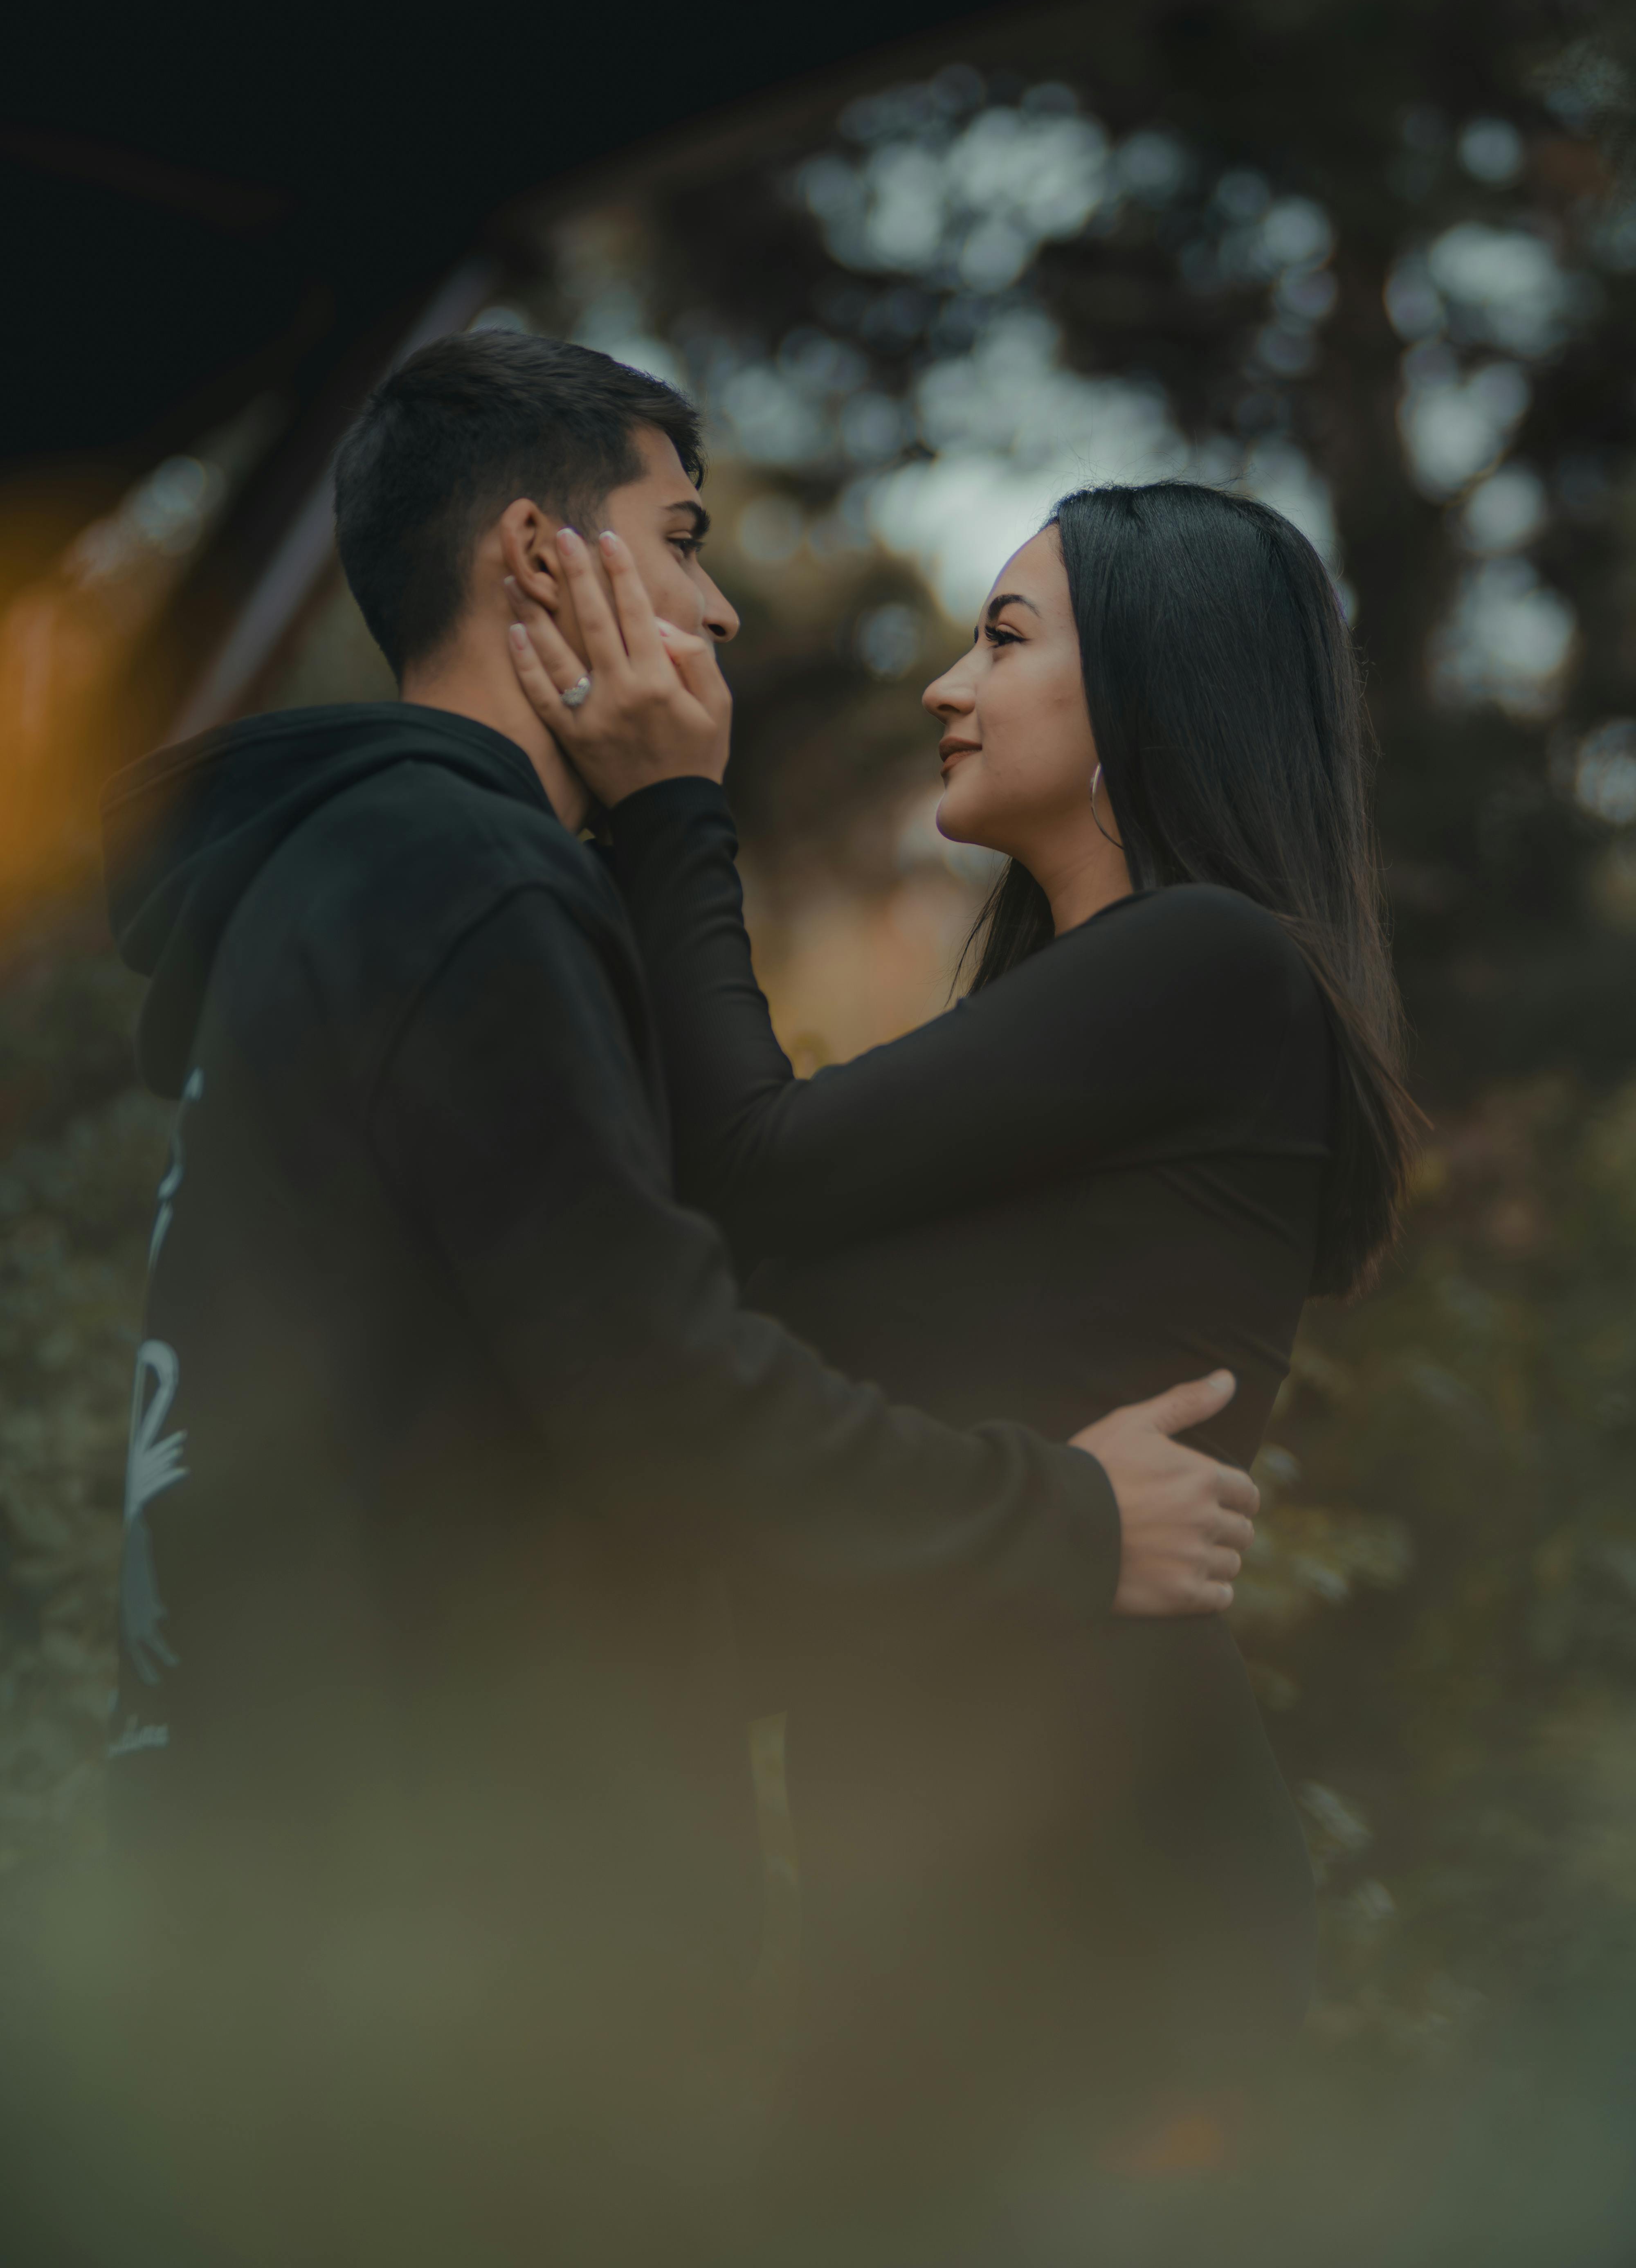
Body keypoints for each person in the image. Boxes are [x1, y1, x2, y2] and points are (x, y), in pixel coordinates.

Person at [97, 335, 1255, 2263]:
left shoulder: (326, 876)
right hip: (446, 1946)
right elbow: (655, 1384)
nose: (716, 599)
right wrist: (1059, 1514)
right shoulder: (464, 877)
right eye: (682, 535)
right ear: (544, 565)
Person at [506, 468, 1418, 2189]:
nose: (946, 684)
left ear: (1156, 688)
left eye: (1002, 637)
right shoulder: (1076, 1024)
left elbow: (745, 1176)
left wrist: (672, 812)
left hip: (1095, 1883)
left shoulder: (1209, 965)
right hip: (938, 1856)